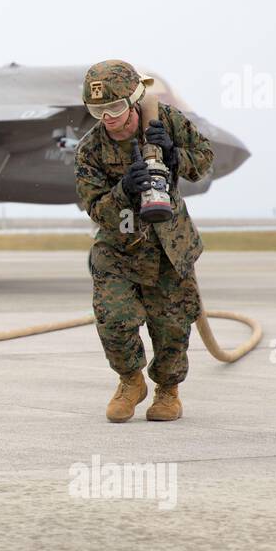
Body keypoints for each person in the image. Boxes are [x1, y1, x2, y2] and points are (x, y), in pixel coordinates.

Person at [74, 60, 214, 423]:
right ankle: (130, 381)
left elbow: (204, 161)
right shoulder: (90, 150)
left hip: (169, 246)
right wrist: (123, 190)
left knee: (171, 327)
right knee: (113, 319)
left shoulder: (165, 121)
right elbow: (96, 209)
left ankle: (168, 391)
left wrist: (172, 155)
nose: (107, 117)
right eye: (97, 110)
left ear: (134, 100)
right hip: (119, 250)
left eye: (115, 108)